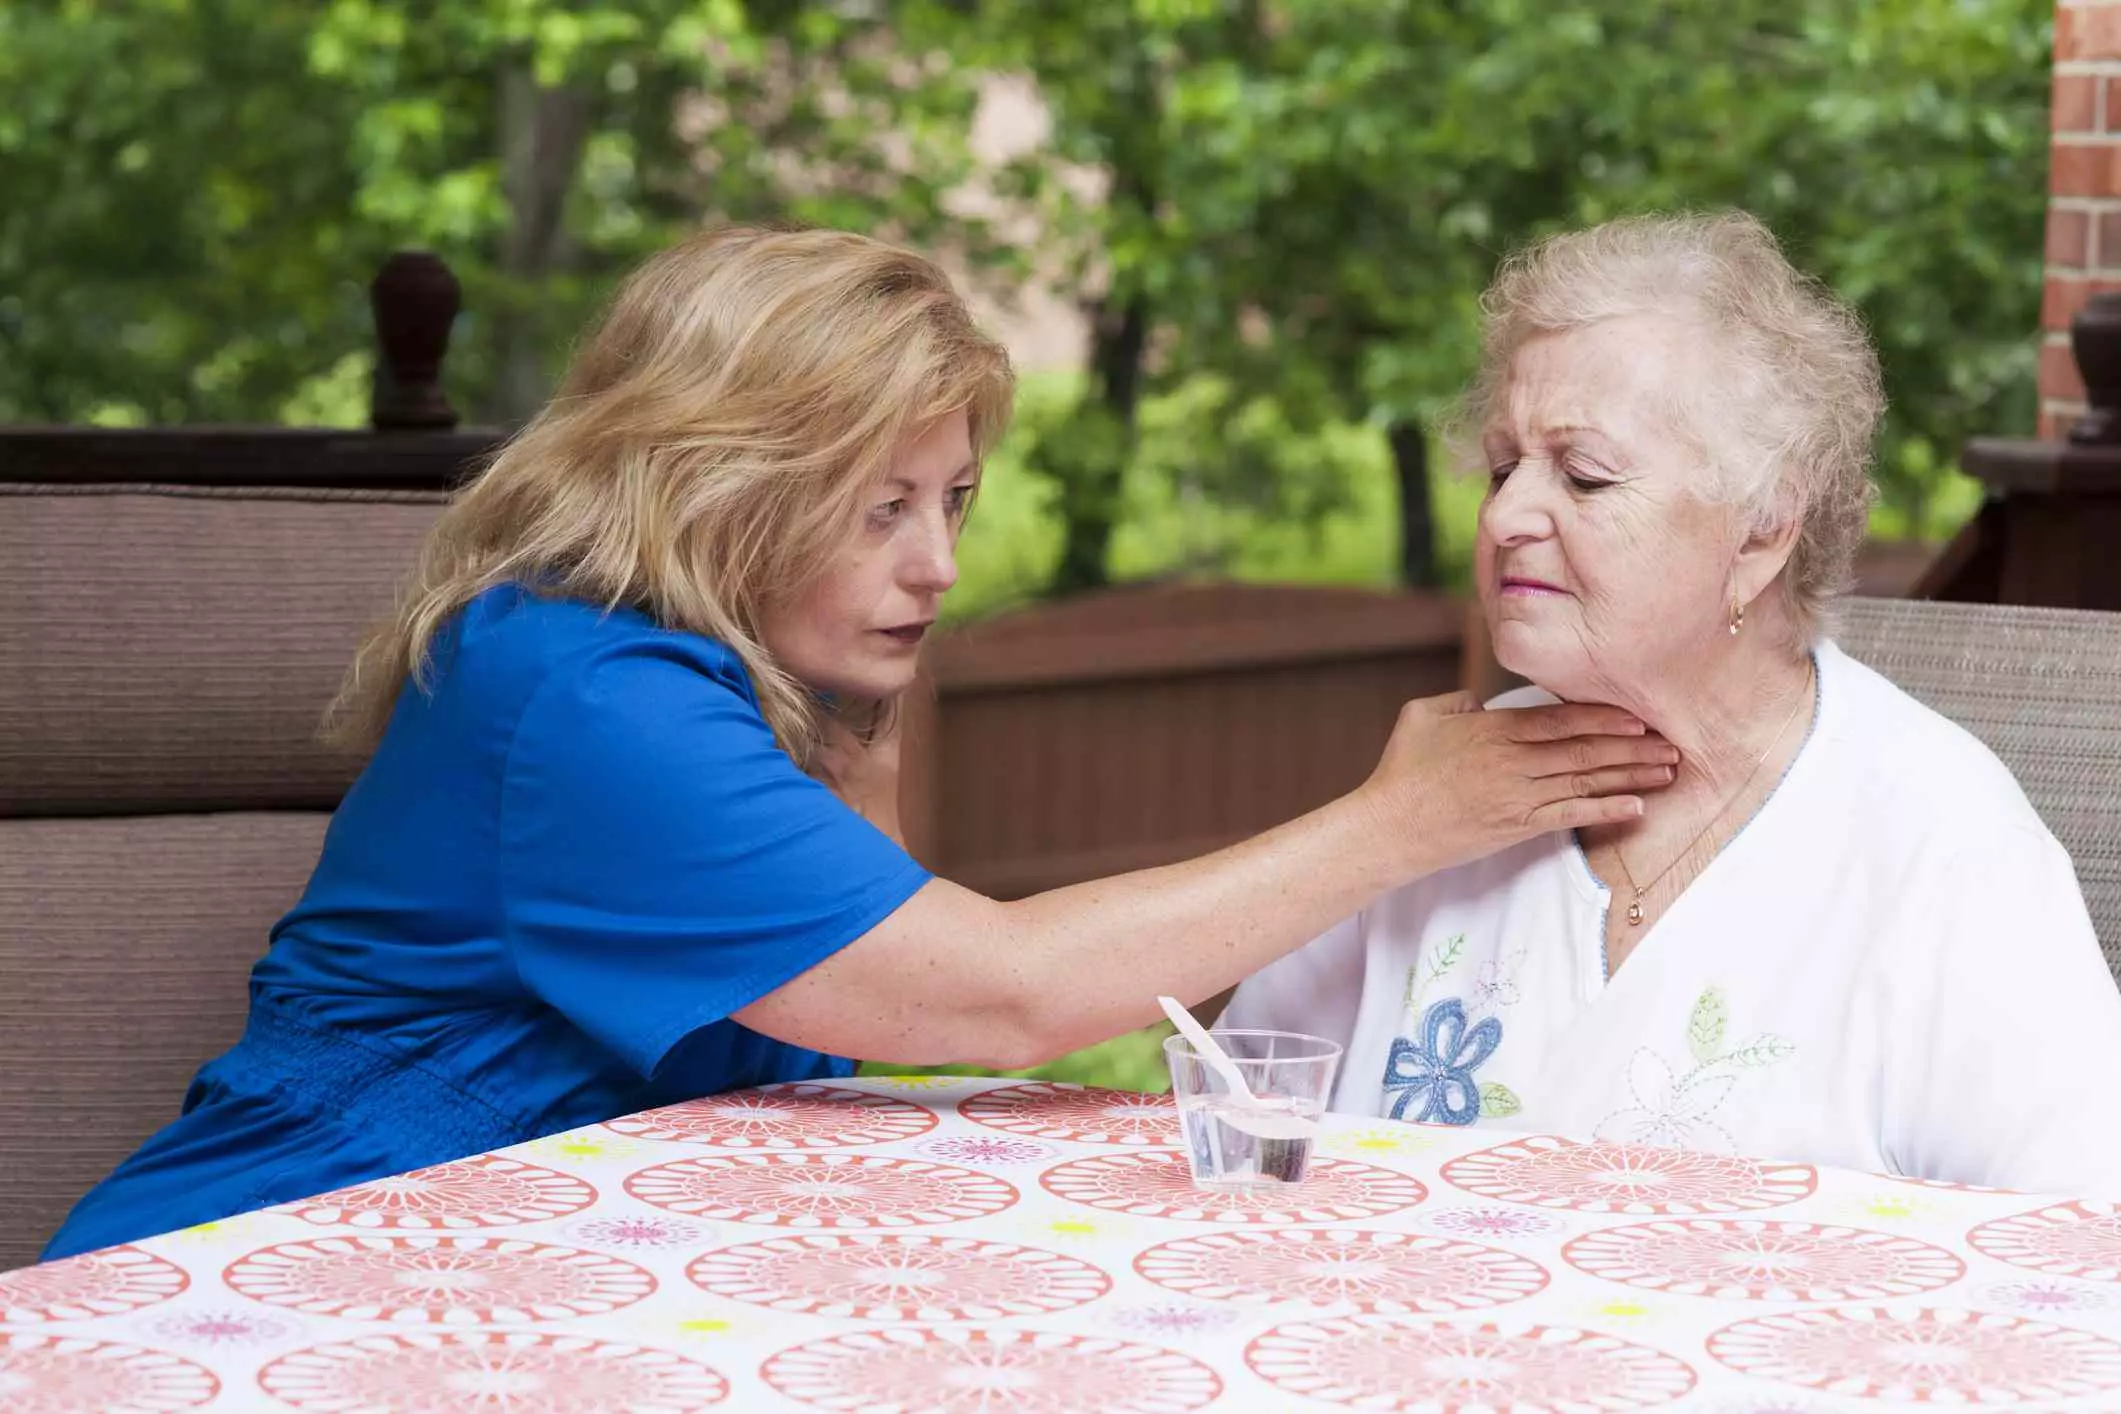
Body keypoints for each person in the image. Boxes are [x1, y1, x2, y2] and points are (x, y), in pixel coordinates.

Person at [42, 225, 1677, 1260]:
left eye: (952, 499)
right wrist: (1401, 816)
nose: (939, 563)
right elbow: (996, 989)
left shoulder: (706, 675)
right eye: (878, 504)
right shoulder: (588, 697)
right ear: (721, 477)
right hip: (259, 1278)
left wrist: (853, 713)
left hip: (521, 1274)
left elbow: (852, 1017)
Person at [1224, 210, 2121, 1196]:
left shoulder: (1939, 844)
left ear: (1764, 529)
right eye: (1502, 466)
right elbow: (1241, 1112)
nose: (1507, 513)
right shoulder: (1437, 793)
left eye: (1585, 474)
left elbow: (2080, 1251)